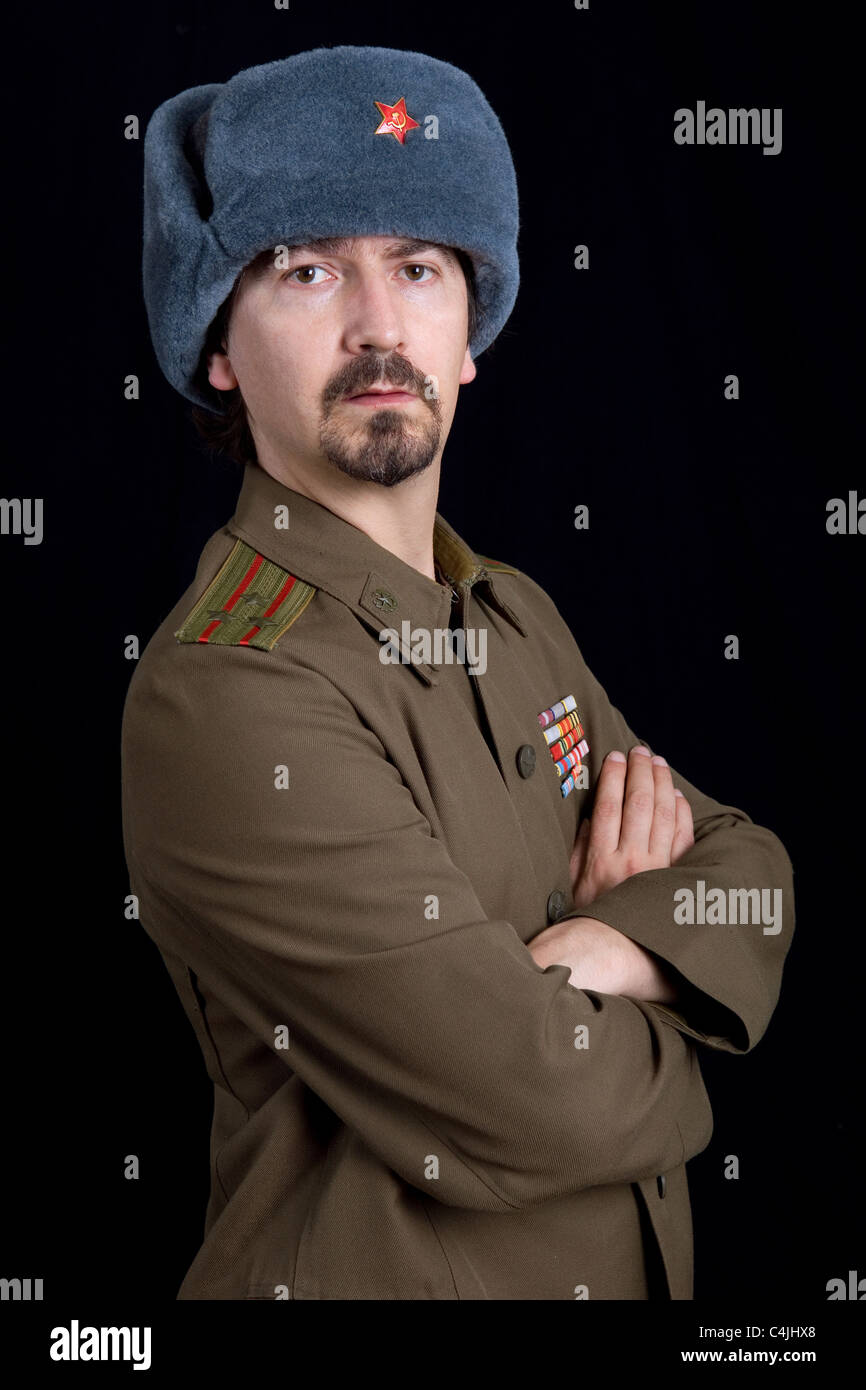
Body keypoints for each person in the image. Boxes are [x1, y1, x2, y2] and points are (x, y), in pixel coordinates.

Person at [121, 44, 795, 1300]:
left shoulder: (510, 613)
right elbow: (531, 1104)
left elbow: (751, 881)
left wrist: (589, 952)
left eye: (421, 267)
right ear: (217, 344)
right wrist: (664, 977)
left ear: (470, 328)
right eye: (309, 268)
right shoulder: (227, 687)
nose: (379, 326)